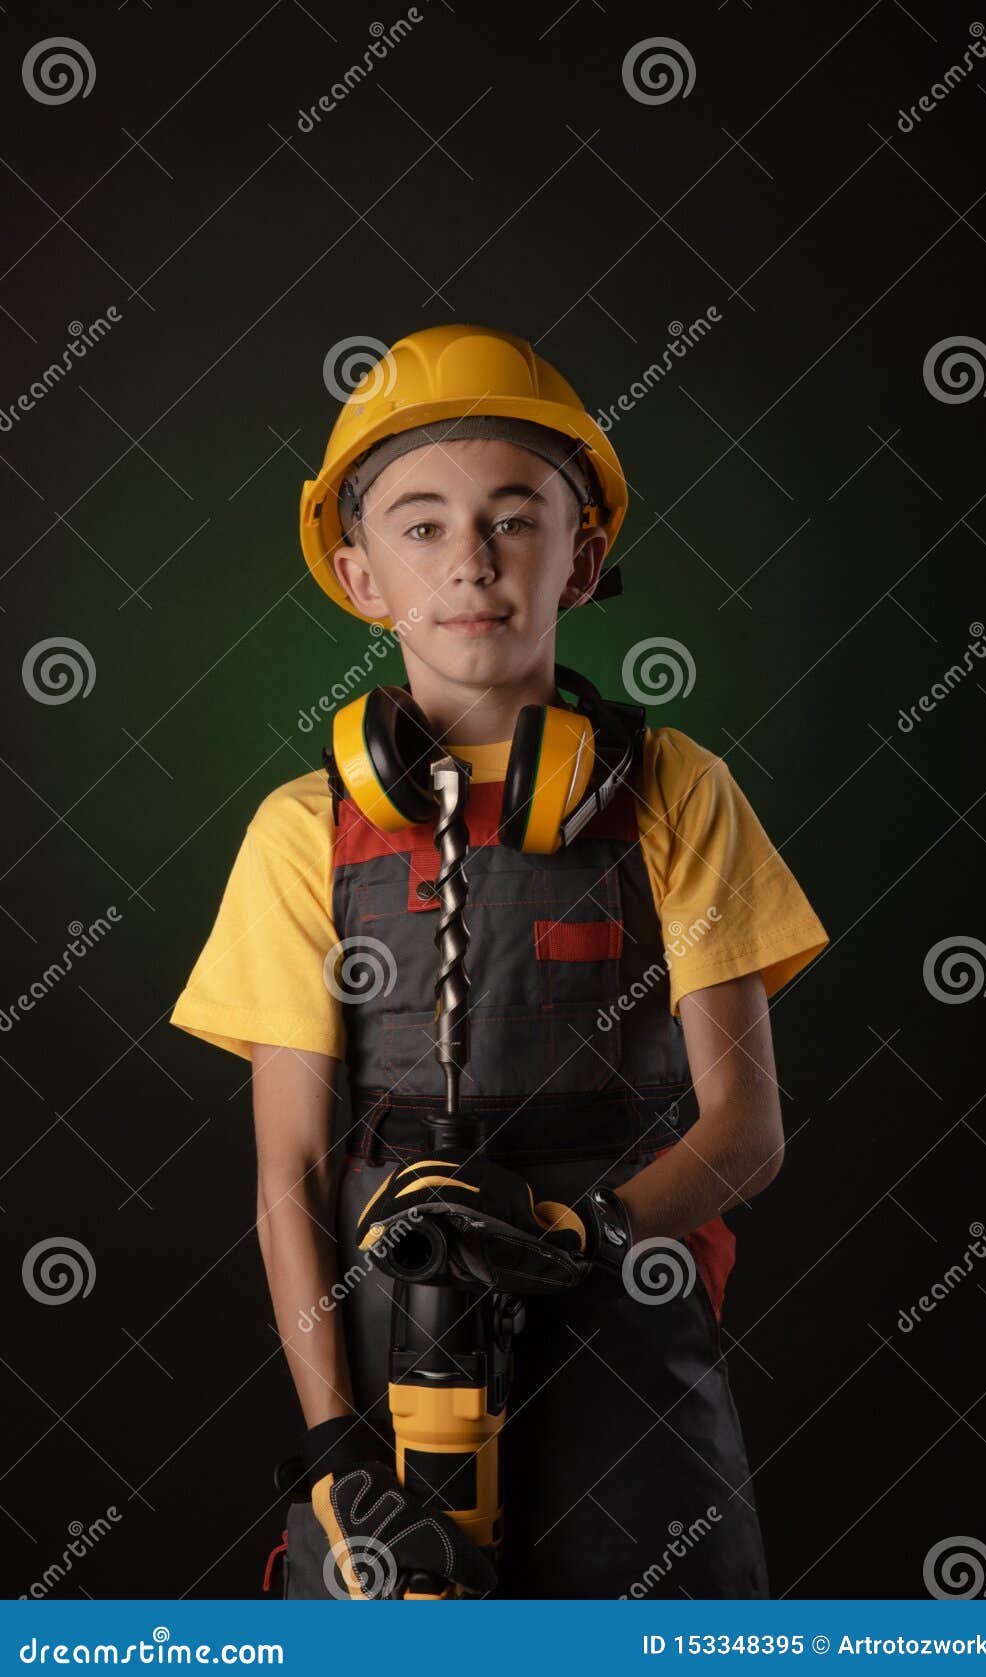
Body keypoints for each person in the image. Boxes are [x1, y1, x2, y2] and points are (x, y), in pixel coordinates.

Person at [170, 322, 829, 1600]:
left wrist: (584, 1230)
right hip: (380, 1339)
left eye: (512, 519)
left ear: (580, 559)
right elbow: (289, 1170)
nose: (469, 561)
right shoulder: (300, 832)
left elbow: (745, 1130)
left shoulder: (674, 793)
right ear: (360, 574)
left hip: (624, 1322)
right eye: (420, 526)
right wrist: (328, 1437)